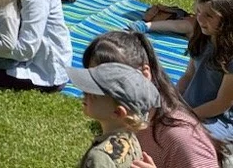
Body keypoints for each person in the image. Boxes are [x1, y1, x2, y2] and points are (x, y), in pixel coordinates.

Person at [83, 31, 221, 168]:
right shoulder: (123, 119)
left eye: (110, 81)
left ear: (145, 74)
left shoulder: (181, 138)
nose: (90, 91)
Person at [70, 63, 160, 168]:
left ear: (117, 112)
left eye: (93, 94)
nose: (84, 94)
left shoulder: (99, 158)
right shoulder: (130, 138)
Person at [179, 0, 233, 142]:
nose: (200, 19)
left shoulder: (230, 56)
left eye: (209, 15)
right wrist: (174, 98)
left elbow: (222, 103)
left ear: (227, 20)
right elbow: (188, 75)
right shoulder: (201, 40)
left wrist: (188, 116)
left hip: (218, 119)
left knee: (190, 138)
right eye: (198, 12)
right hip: (191, 106)